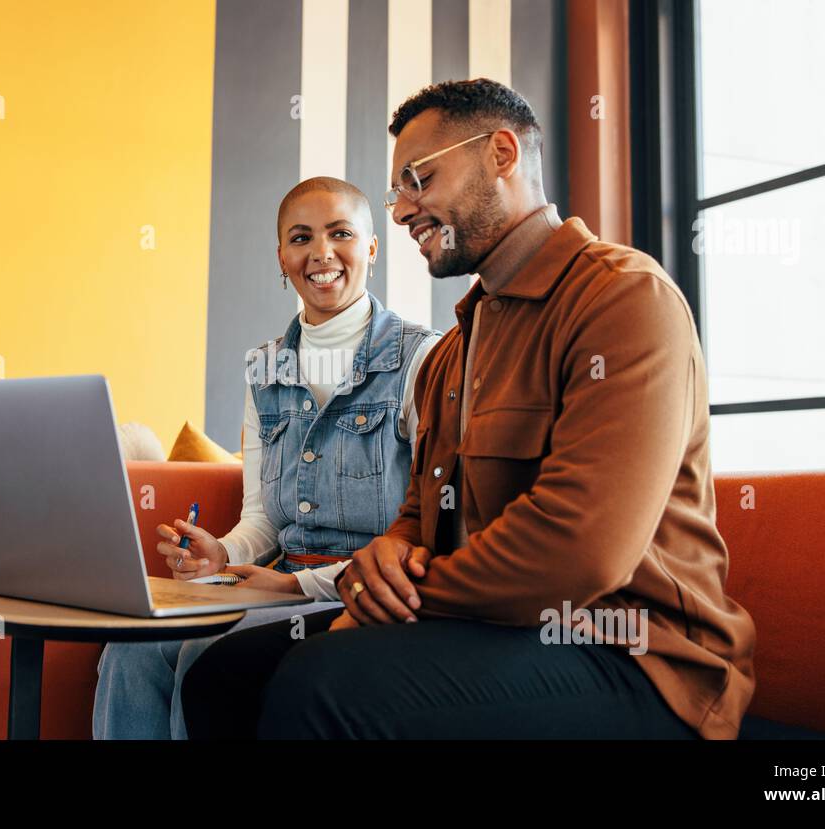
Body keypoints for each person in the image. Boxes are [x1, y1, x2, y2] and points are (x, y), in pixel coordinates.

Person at [181, 79, 757, 740]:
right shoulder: (456, 347)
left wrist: (389, 596)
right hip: (488, 628)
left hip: (634, 657)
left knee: (324, 686)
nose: (401, 211)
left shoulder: (623, 300)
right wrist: (391, 552)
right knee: (222, 673)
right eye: (397, 191)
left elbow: (581, 552)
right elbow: (422, 514)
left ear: (502, 154)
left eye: (418, 180)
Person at [92, 177, 441, 739]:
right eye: (301, 238)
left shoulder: (421, 358)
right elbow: (261, 517)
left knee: (203, 655)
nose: (321, 253)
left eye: (341, 233)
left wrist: (292, 588)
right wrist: (219, 553)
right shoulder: (264, 368)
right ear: (282, 258)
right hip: (269, 582)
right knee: (130, 651)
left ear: (371, 249)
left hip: (362, 589)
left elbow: (427, 529)